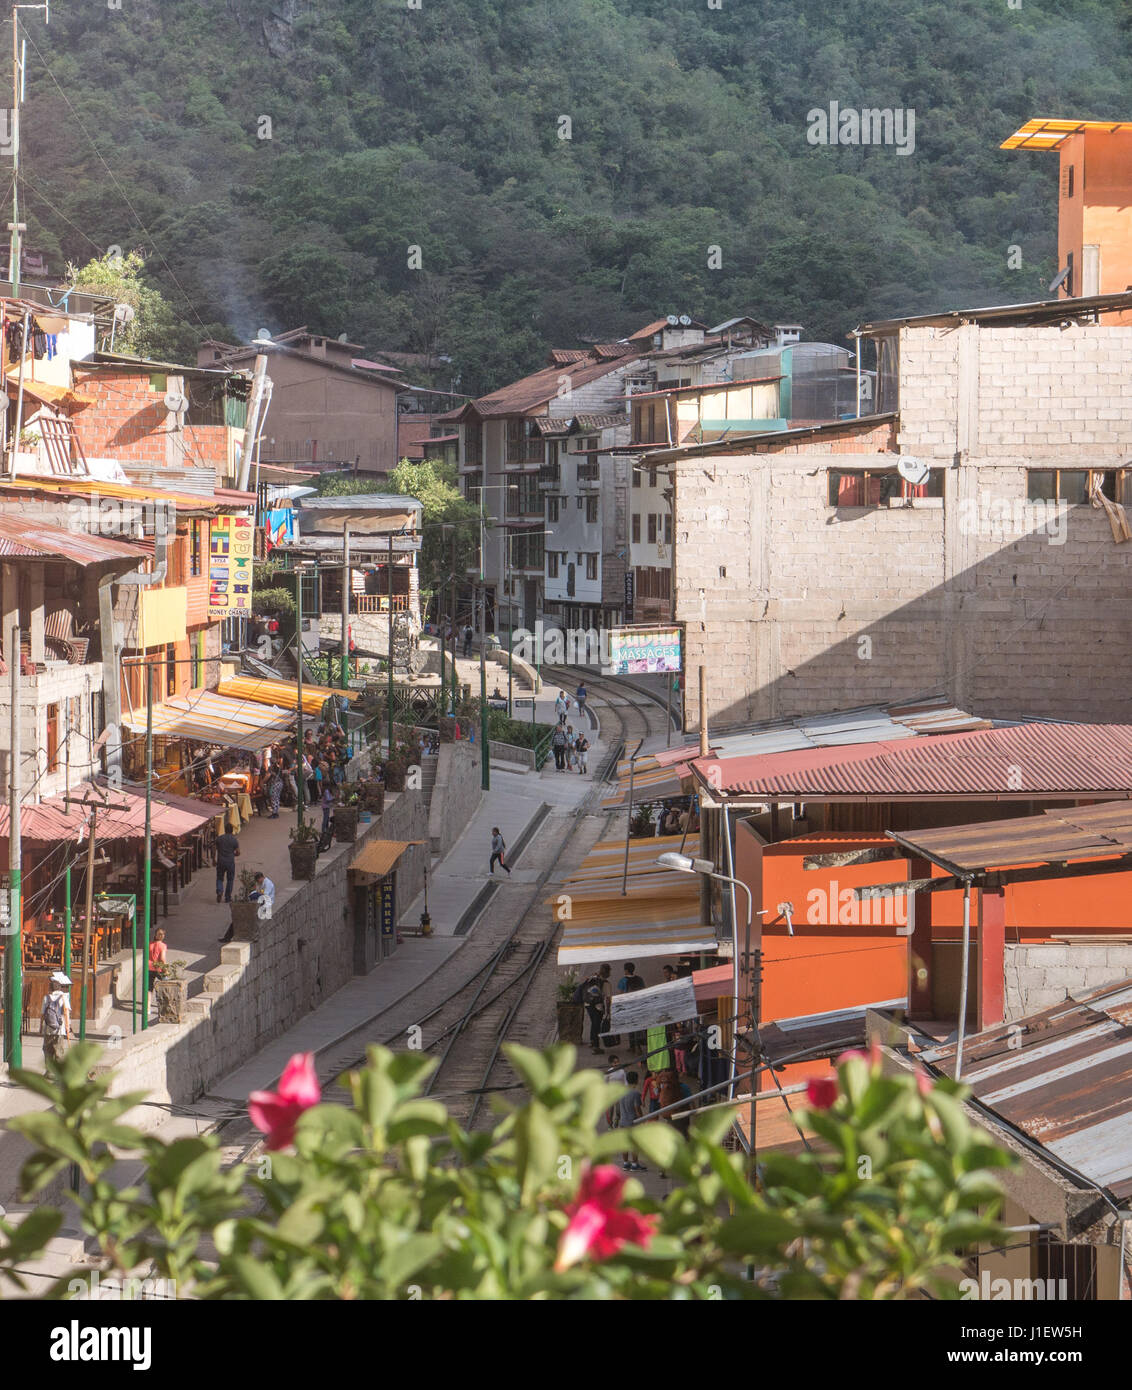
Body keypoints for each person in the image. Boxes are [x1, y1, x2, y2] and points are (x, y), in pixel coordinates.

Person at [41, 971, 71, 1065]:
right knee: (59, 1052)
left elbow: (42, 1014)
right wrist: (68, 1027)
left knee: (47, 1051)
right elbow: (66, 1013)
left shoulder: (46, 998)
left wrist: (40, 1027)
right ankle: (59, 1073)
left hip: (48, 1029)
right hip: (60, 1029)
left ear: (50, 988)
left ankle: (49, 1072)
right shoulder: (63, 998)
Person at [618, 1071, 645, 1172]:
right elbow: (637, 1109)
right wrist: (642, 1119)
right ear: (637, 1080)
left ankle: (625, 1163)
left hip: (623, 1121)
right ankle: (635, 1164)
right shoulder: (635, 1094)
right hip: (632, 1122)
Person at [215, 828, 240, 904]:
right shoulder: (234, 840)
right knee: (230, 879)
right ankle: (227, 897)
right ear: (232, 831)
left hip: (220, 861)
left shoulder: (219, 838)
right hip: (230, 862)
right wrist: (233, 854)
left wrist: (213, 858)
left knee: (219, 878)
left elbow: (214, 848)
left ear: (224, 830)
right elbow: (238, 852)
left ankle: (219, 890)